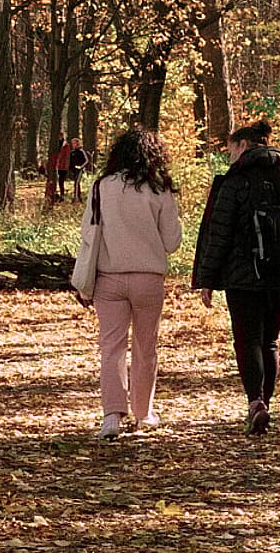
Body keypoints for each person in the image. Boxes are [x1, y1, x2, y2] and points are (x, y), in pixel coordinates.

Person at [192, 119, 280, 435]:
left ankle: (255, 402)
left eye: (231, 149)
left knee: (247, 340)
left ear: (244, 145)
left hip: (243, 277)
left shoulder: (235, 183)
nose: (229, 156)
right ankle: (266, 403)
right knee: (270, 341)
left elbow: (219, 233)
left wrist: (207, 278)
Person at [76, 129, 182, 440]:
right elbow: (172, 242)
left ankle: (111, 416)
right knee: (146, 347)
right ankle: (143, 413)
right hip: (148, 278)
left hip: (108, 277)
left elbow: (88, 231)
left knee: (111, 347)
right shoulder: (160, 188)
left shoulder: (101, 187)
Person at [69, 137, 90, 201]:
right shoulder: (72, 152)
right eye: (72, 143)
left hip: (80, 170)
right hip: (74, 170)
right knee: (75, 183)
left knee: (77, 182)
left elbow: (86, 160)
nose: (73, 145)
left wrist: (81, 167)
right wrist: (71, 168)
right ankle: (78, 197)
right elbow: (71, 162)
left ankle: (76, 198)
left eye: (74, 143)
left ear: (77, 144)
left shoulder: (81, 151)